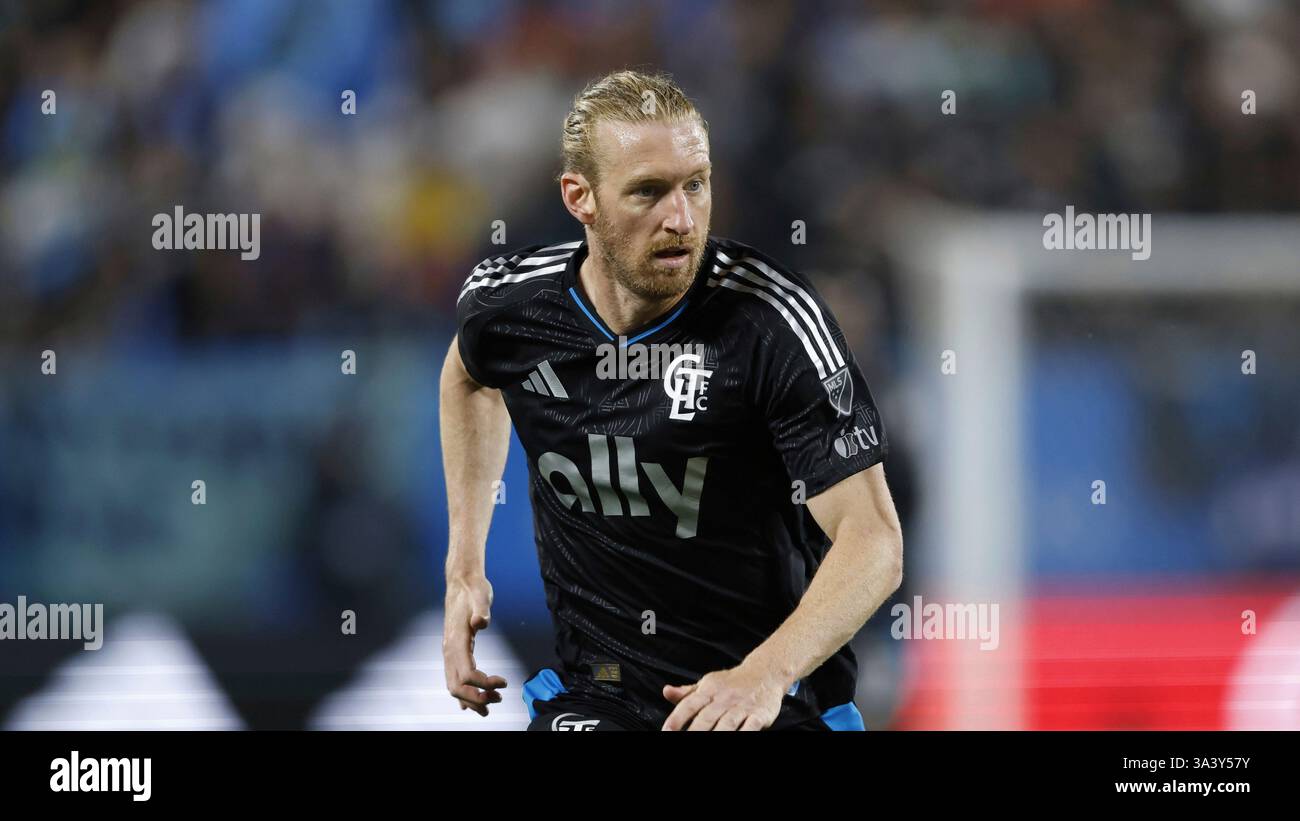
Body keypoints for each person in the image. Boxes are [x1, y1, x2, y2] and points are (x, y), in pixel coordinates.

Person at [440, 69, 902, 731]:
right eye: (648, 191)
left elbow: (875, 541)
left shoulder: (770, 323)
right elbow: (468, 375)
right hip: (599, 696)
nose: (681, 218)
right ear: (581, 198)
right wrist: (464, 569)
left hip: (763, 699)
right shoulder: (512, 306)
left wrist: (764, 673)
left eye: (696, 183)